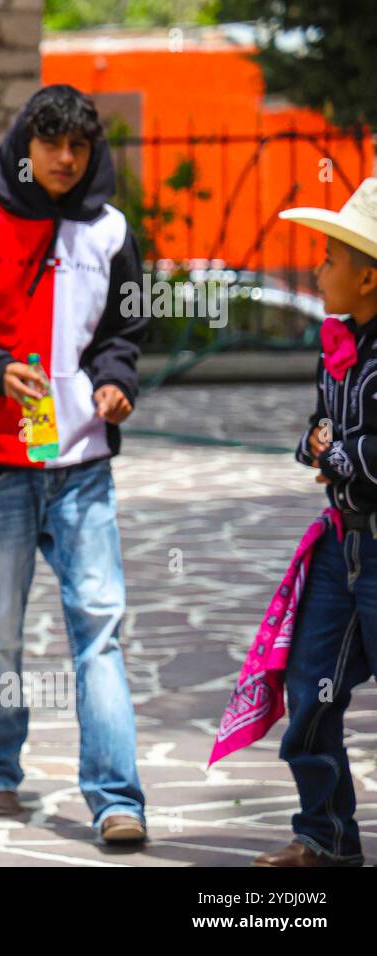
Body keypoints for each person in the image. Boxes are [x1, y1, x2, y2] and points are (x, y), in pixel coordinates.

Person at [0, 84, 149, 844]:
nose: (64, 158)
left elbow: (126, 329)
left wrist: (118, 379)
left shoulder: (114, 231)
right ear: (23, 147)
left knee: (100, 628)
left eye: (79, 146)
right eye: (50, 142)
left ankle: (118, 798)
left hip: (84, 461)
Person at [245, 179, 377, 866]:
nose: (318, 269)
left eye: (329, 258)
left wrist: (344, 455)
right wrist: (319, 446)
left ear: (368, 275)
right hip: (344, 543)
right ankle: (324, 837)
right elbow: (318, 430)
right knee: (310, 684)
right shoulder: (338, 347)